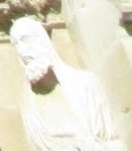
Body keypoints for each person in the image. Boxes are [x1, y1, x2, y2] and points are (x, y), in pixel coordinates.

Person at [8, 17, 122, 151]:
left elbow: (114, 142)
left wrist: (89, 145)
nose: (21, 50)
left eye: (26, 40)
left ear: (43, 41)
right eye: (16, 44)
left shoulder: (85, 84)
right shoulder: (27, 103)